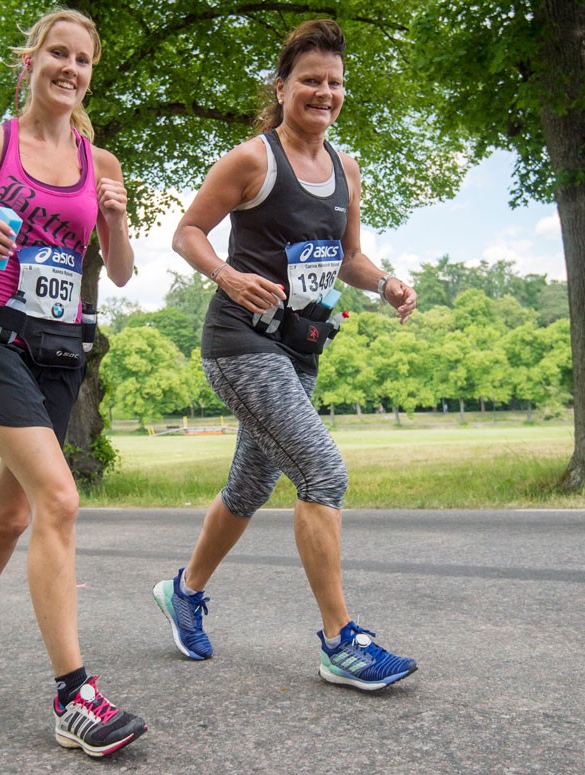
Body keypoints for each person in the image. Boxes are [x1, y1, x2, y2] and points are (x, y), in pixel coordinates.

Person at [151, 19, 419, 692]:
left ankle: (183, 592)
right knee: (322, 470)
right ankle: (339, 641)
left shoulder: (346, 169)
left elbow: (348, 257)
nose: (324, 92)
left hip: (298, 350)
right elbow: (188, 231)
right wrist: (227, 275)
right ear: (281, 87)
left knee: (250, 485)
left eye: (335, 82)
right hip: (240, 344)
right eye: (310, 80)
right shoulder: (253, 160)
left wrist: (385, 283)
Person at [0, 8, 145, 758]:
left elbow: (120, 271)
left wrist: (116, 220)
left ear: (89, 75)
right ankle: (74, 695)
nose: (70, 68)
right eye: (58, 54)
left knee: (13, 516)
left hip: (58, 352)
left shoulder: (101, 164)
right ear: (32, 60)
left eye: (83, 60)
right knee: (59, 499)